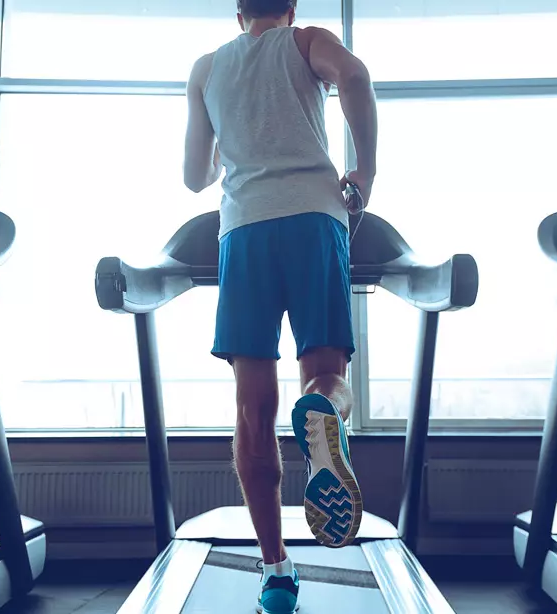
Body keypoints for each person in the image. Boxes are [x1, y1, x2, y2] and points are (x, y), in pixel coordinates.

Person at [182, 1, 378, 612]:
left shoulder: (208, 68)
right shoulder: (305, 42)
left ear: (238, 12)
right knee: (327, 375)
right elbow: (355, 77)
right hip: (316, 219)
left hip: (243, 230)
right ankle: (324, 413)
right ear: (289, 9)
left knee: (251, 408)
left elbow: (194, 177)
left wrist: (227, 148)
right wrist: (365, 174)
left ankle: (275, 569)